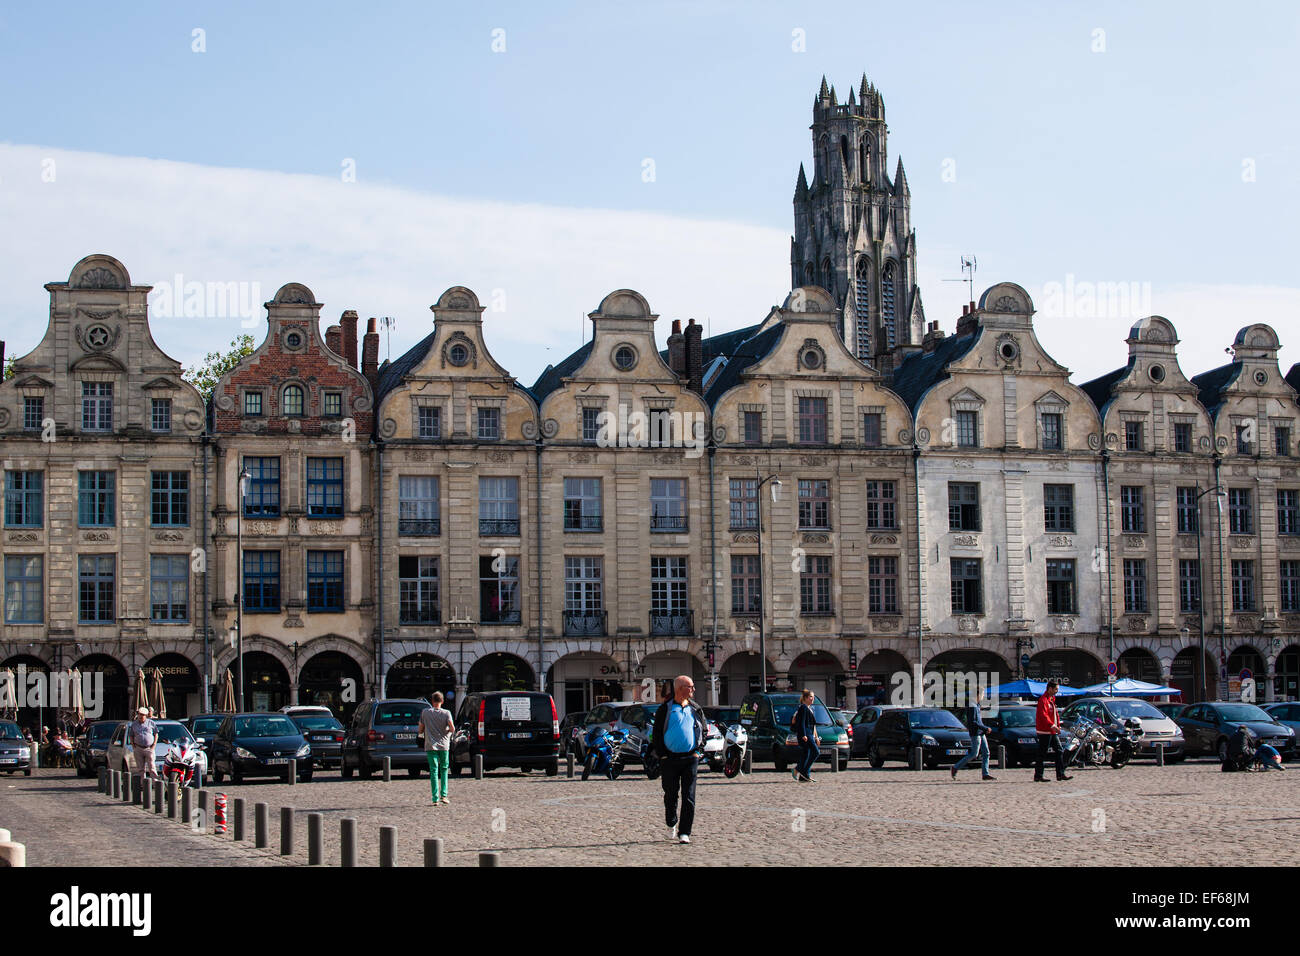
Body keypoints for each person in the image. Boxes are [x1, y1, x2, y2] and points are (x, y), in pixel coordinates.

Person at [651, 675, 707, 845]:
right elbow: (657, 733)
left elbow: (703, 729)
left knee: (689, 795)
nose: (693, 690)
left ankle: (685, 832)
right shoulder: (665, 709)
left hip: (690, 758)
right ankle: (671, 822)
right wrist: (663, 755)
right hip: (670, 759)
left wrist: (698, 750)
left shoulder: (695, 708)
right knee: (670, 794)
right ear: (680, 688)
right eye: (690, 686)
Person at [952, 687, 995, 781]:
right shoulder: (972, 706)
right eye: (982, 694)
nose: (983, 696)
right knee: (974, 754)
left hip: (981, 732)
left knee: (986, 752)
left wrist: (984, 729)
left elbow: (979, 720)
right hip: (976, 732)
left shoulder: (977, 705)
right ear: (978, 694)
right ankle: (955, 767)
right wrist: (985, 728)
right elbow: (973, 721)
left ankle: (985, 774)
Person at [419, 692, 455, 804]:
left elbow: (420, 729)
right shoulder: (446, 713)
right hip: (444, 745)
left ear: (432, 701)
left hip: (430, 745)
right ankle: (444, 795)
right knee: (444, 769)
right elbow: (452, 728)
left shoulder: (425, 712)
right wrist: (447, 732)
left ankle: (435, 798)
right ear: (442, 701)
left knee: (433, 771)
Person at [1033, 680, 1072, 782]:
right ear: (1050, 689)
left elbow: (1055, 715)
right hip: (1045, 731)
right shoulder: (1043, 700)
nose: (1057, 691)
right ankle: (1038, 775)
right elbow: (1043, 715)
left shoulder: (1051, 699)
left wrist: (1057, 726)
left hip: (1052, 731)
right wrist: (1052, 725)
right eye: (1056, 689)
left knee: (1059, 751)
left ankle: (1060, 774)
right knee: (1042, 753)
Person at [792, 689, 819, 782]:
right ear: (805, 698)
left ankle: (804, 776)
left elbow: (813, 725)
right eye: (811, 697)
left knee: (806, 754)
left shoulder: (809, 709)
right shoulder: (803, 707)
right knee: (816, 752)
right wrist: (803, 734)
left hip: (810, 734)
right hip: (806, 734)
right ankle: (800, 770)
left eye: (813, 697)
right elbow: (801, 722)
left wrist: (816, 736)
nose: (813, 699)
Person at [127, 706, 159, 785]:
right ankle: (143, 784)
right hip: (138, 748)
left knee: (152, 767)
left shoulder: (151, 723)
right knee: (141, 768)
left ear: (146, 715)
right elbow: (131, 735)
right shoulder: (134, 724)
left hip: (149, 748)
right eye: (140, 714)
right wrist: (133, 746)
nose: (141, 716)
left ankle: (156, 784)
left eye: (143, 715)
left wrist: (154, 745)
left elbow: (156, 734)